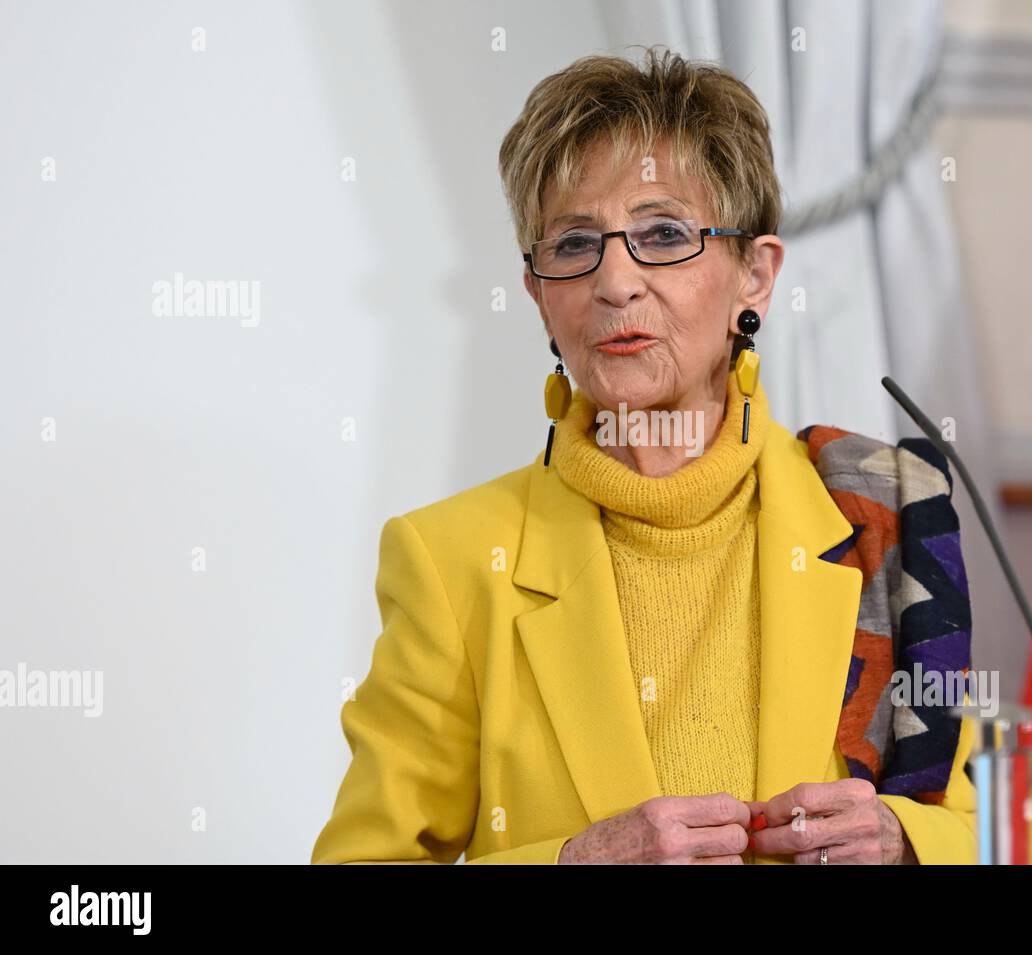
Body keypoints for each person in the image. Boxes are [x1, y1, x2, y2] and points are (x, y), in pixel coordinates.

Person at [312, 46, 977, 864]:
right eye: (572, 244)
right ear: (539, 298)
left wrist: (907, 841)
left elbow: (989, 826)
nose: (616, 281)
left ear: (755, 277)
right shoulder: (450, 562)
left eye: (664, 233)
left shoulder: (885, 515)